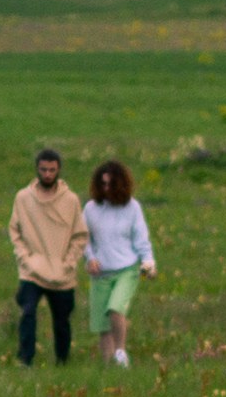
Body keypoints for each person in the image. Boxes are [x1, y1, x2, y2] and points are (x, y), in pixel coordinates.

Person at [9, 142, 86, 365]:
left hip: (61, 272)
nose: (48, 174)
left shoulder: (70, 200)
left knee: (62, 321)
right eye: (43, 169)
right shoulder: (23, 198)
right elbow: (15, 230)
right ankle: (25, 360)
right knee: (28, 312)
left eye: (52, 170)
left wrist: (69, 263)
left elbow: (80, 235)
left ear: (59, 169)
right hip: (31, 270)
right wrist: (25, 258)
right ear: (37, 169)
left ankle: (62, 361)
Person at [84, 157, 156, 368]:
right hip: (100, 273)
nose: (106, 188)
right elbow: (83, 238)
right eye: (102, 184)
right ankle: (109, 367)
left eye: (111, 184)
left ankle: (121, 351)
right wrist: (90, 258)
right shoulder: (90, 209)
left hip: (127, 269)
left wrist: (148, 263)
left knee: (116, 309)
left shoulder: (132, 208)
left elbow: (141, 239)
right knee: (102, 325)